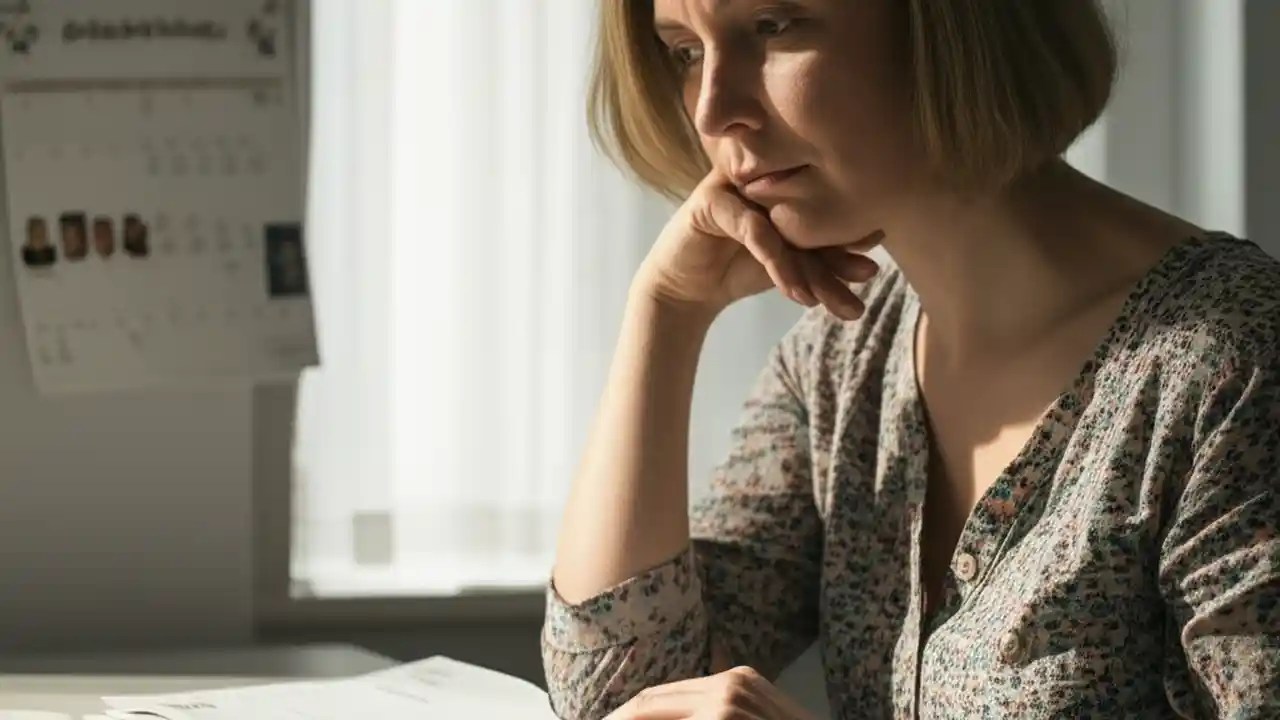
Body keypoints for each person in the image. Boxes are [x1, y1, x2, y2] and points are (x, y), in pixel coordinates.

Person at [542, 1, 1280, 718]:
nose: (711, 109)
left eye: (773, 26)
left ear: (950, 24)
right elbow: (621, 697)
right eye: (685, 52)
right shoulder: (839, 364)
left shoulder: (1234, 364)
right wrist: (667, 310)